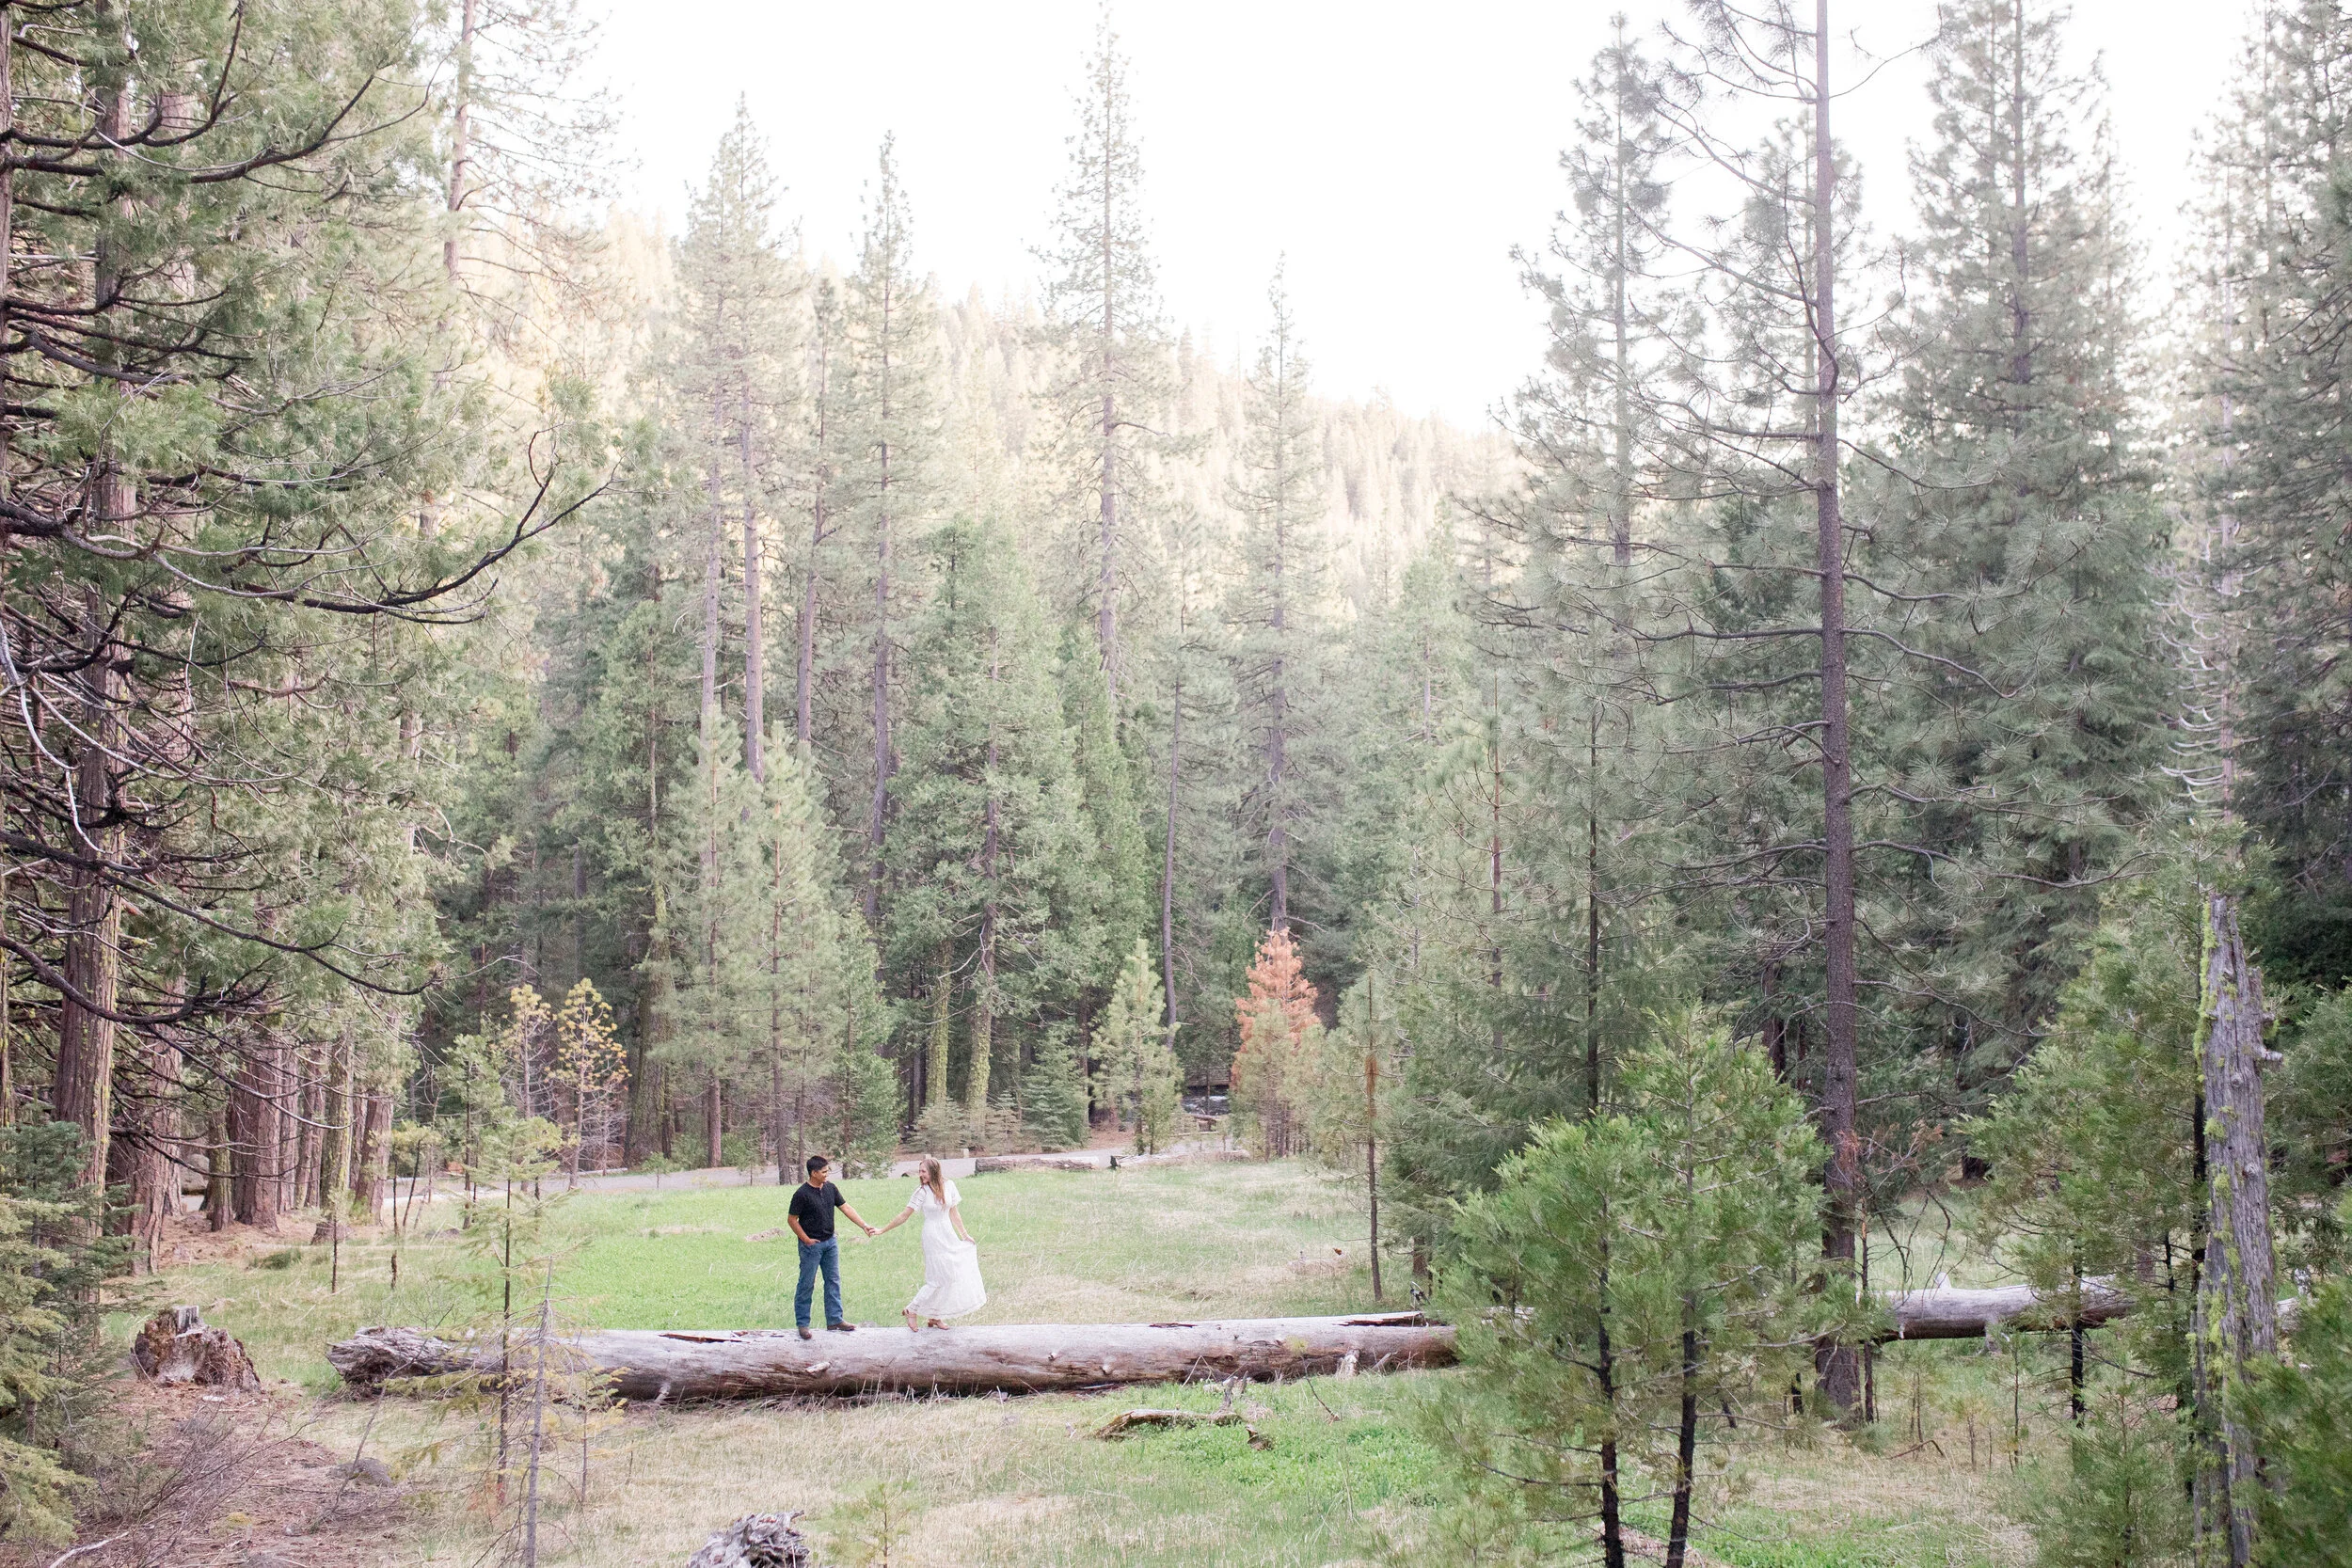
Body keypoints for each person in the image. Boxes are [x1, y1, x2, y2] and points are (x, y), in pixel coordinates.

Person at [871, 1156, 986, 1330]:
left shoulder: (949, 1186)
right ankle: (912, 1309)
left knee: (951, 1275)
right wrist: (882, 1230)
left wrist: (964, 1234)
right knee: (936, 1279)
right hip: (932, 1236)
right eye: (920, 1171)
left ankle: (934, 1316)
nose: (920, 1174)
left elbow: (954, 1213)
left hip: (947, 1233)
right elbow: (904, 1215)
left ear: (933, 1171)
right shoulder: (922, 1192)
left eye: (923, 1171)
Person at [787, 1154, 876, 1341]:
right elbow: (792, 1220)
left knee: (833, 1281)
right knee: (806, 1284)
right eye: (824, 1172)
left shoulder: (830, 1189)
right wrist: (805, 1239)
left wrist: (864, 1225)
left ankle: (835, 1320)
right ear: (814, 1173)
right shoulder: (801, 1194)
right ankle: (803, 1324)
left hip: (830, 1243)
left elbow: (846, 1208)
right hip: (811, 1246)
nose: (827, 1174)